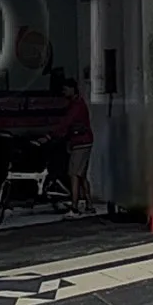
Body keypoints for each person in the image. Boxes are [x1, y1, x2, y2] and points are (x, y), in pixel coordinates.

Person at [55, 76, 94, 212]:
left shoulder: (76, 105)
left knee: (74, 175)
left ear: (72, 89)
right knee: (81, 175)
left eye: (65, 89)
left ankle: (75, 206)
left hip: (80, 142)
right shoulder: (77, 103)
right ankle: (89, 205)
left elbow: (67, 122)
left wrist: (51, 135)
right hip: (83, 141)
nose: (64, 92)